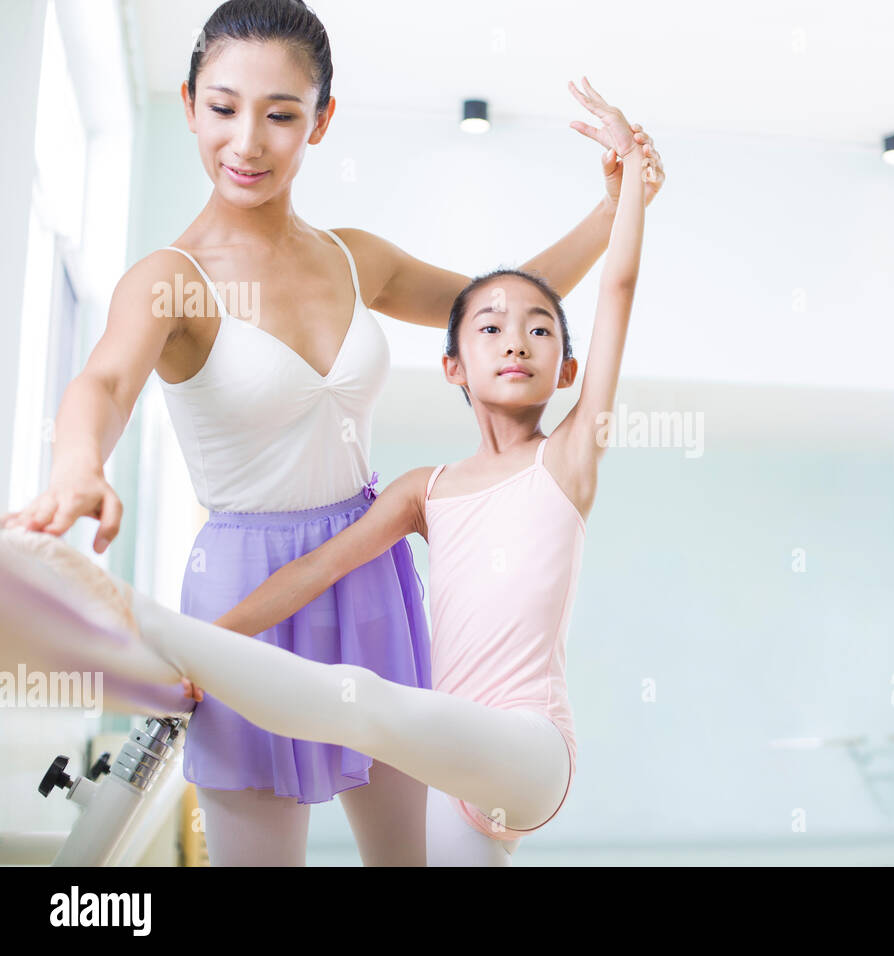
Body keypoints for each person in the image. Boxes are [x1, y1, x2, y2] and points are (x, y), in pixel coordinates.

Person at [0, 0, 664, 866]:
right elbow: (103, 381)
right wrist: (76, 464)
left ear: (321, 119)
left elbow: (503, 306)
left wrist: (618, 207)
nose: (248, 142)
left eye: (281, 115)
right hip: (249, 587)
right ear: (189, 103)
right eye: (224, 108)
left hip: (368, 567)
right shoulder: (172, 279)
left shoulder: (354, 259)